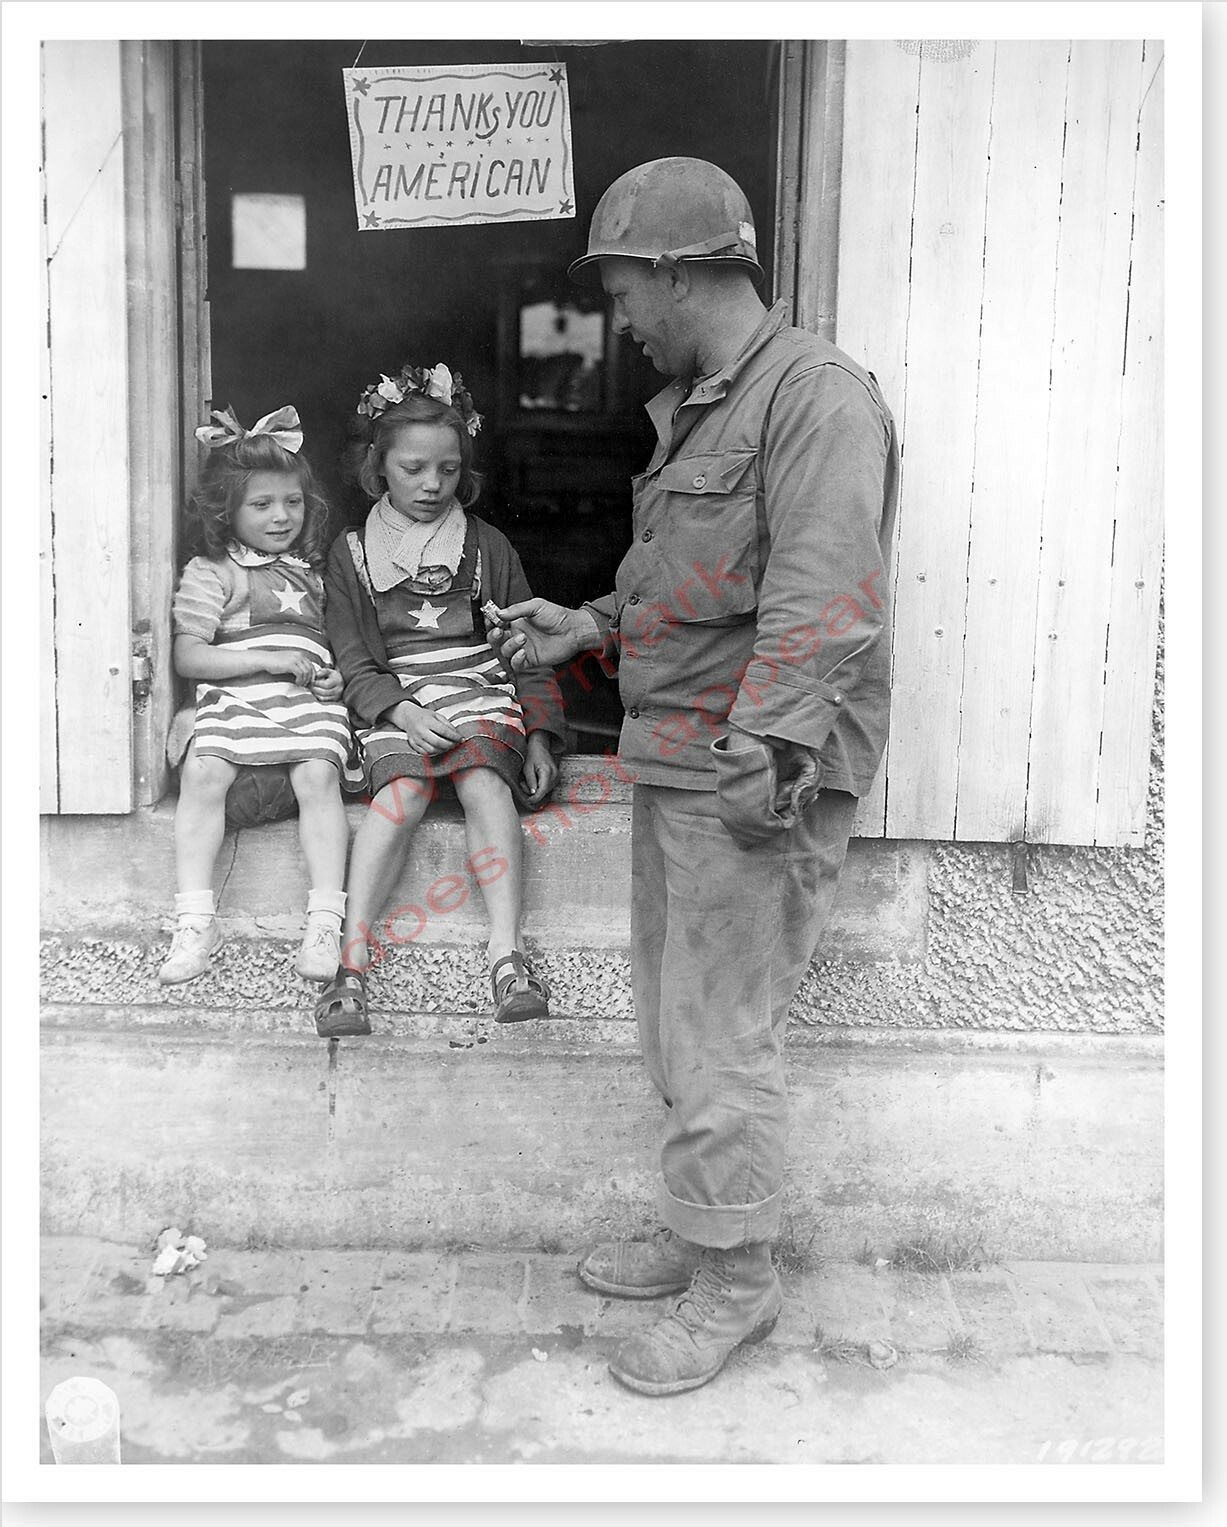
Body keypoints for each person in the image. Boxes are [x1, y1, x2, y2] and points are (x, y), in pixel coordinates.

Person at [492, 158, 900, 1397]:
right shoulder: (704, 407)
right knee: (678, 1026)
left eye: (624, 293)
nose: (620, 321)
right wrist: (590, 626)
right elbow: (696, 576)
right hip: (683, 751)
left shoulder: (816, 398)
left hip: (748, 770)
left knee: (723, 1037)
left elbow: (825, 604)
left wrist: (765, 756)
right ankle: (700, 1238)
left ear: (679, 273)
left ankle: (737, 1281)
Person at [316, 364, 565, 1039]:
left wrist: (539, 732)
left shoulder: (486, 545)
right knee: (398, 799)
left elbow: (525, 647)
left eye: (448, 471)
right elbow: (354, 658)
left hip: (477, 691)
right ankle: (352, 962)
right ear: (378, 467)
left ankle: (507, 955)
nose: (431, 485)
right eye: (414, 468)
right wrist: (398, 711)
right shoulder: (353, 555)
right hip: (399, 700)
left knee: (486, 782)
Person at [160, 405, 351, 988]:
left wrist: (334, 677)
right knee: (204, 771)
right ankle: (195, 919)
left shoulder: (317, 570)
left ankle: (325, 920)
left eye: (292, 502)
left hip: (304, 703)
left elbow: (343, 646)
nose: (280, 517)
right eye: (261, 505)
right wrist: (266, 659)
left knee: (317, 776)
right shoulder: (213, 571)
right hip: (236, 694)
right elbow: (189, 655)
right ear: (227, 510)